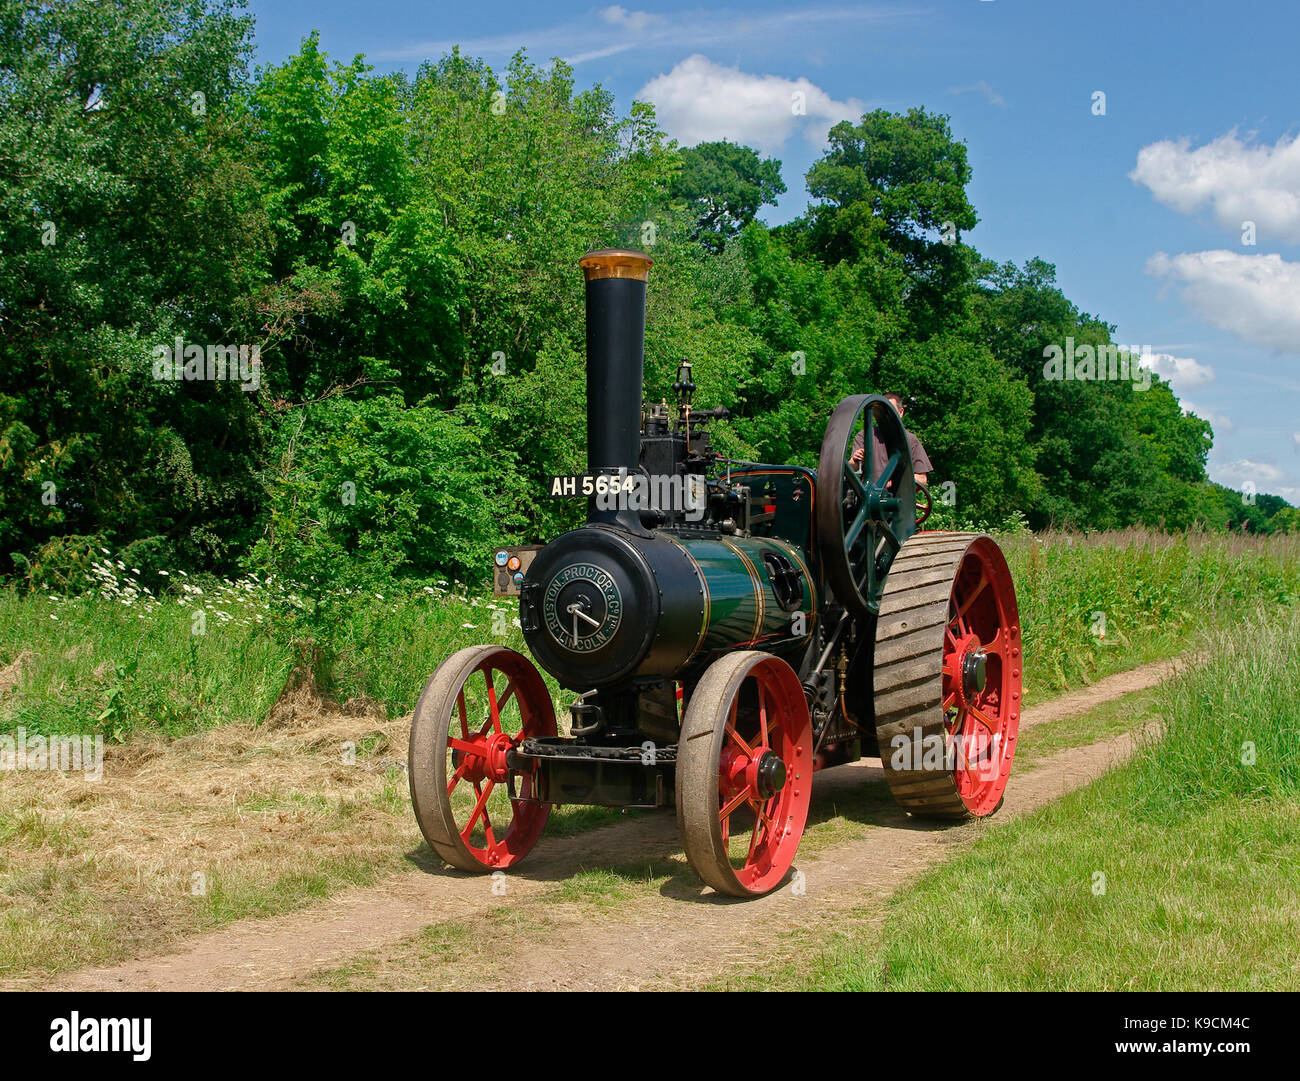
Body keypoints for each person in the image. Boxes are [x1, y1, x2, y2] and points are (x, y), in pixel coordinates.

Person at [849, 392, 932, 488]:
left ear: (901, 413)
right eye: (882, 412)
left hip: (898, 500)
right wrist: (855, 461)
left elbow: (921, 479)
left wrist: (892, 484)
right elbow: (852, 469)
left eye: (891, 411)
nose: (886, 415)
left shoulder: (911, 440)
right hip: (867, 500)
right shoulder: (864, 435)